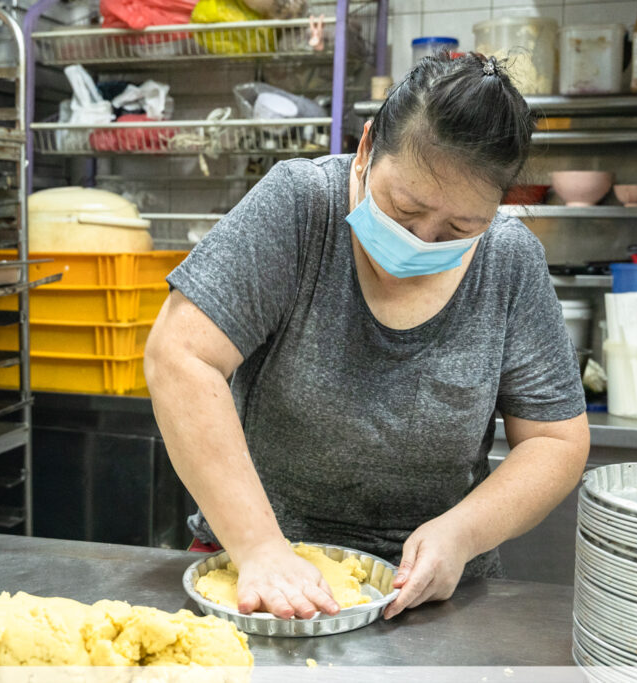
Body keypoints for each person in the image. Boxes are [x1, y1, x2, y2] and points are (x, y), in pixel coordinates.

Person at [145, 52, 590, 621]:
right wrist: (259, 547)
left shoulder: (508, 259)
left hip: (433, 600)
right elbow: (180, 354)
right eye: (404, 210)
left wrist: (461, 534)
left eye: (460, 228)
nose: (423, 243)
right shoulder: (302, 208)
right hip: (261, 580)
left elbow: (555, 441)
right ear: (366, 147)